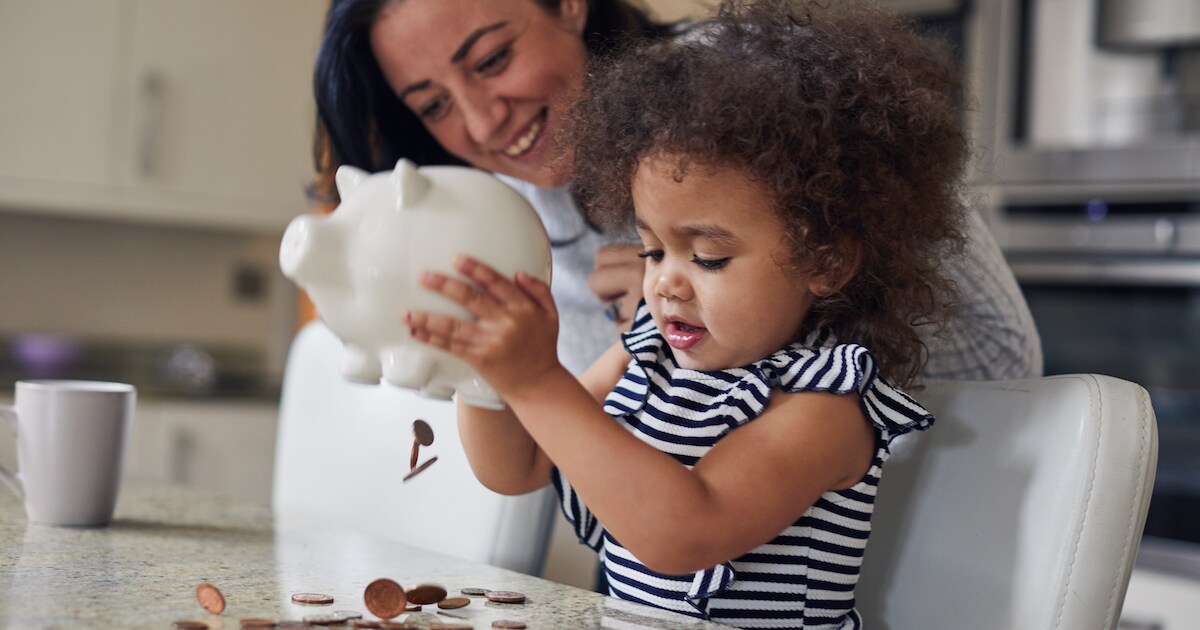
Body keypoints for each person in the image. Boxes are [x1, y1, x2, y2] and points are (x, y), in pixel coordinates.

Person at [403, 1, 967, 626]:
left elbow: (685, 533)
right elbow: (518, 466)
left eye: (708, 257)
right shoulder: (645, 352)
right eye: (651, 250)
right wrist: (483, 372)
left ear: (825, 261)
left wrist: (537, 379)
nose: (665, 281)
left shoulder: (822, 407)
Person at [311, 0, 1043, 381]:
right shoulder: (503, 207)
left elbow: (999, 356)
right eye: (434, 104)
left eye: (494, 59)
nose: (480, 121)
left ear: (568, 3)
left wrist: (726, 315)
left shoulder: (747, 94)